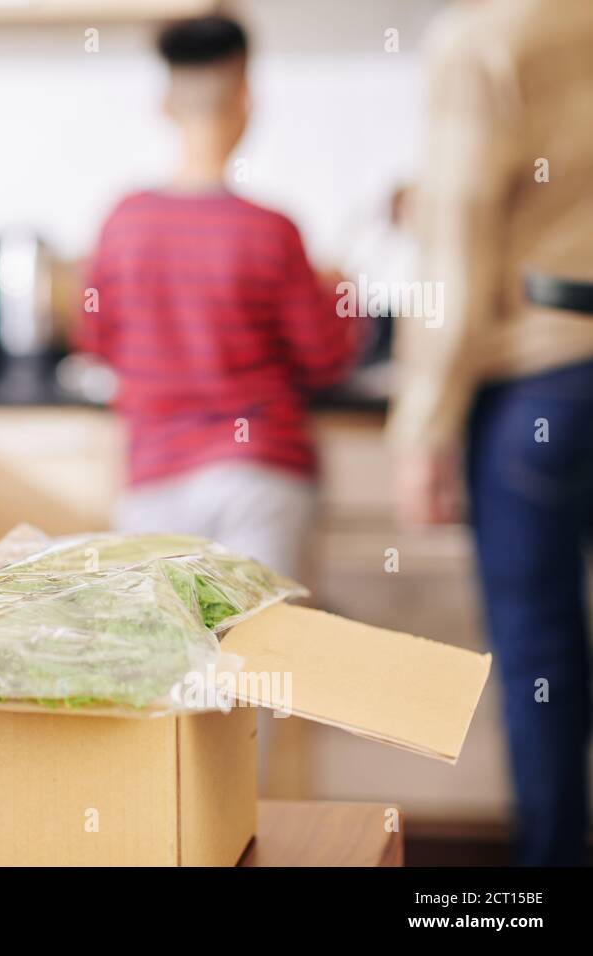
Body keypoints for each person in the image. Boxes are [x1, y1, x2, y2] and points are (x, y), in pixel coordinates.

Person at [390, 0, 593, 866]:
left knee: (539, 650)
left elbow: (456, 244)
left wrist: (422, 421)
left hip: (539, 370)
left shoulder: (483, 41)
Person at [75, 14, 360, 580]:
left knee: (162, 654)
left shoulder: (123, 222)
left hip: (152, 480)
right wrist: (340, 290)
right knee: (260, 656)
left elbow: (95, 342)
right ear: (246, 101)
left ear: (165, 105)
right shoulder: (272, 230)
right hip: (259, 476)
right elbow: (324, 360)